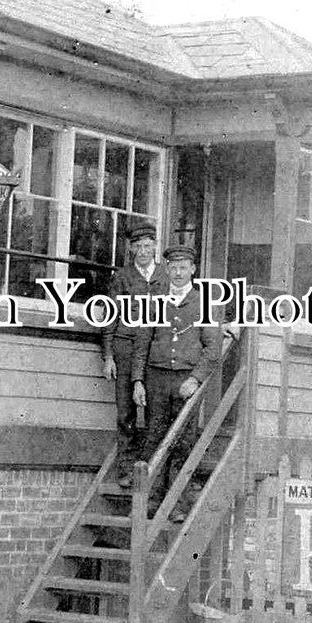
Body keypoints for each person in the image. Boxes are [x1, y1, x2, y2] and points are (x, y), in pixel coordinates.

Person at [131, 244, 222, 522]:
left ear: (193, 269)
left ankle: (177, 505)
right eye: (173, 268)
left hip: (185, 381)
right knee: (154, 437)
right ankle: (152, 501)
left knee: (183, 442)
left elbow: (213, 348)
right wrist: (138, 380)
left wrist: (195, 378)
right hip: (156, 379)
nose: (178, 273)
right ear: (167, 270)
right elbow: (142, 343)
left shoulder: (204, 303)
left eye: (183, 267)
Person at [103, 222, 169, 487]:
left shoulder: (166, 276)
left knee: (156, 409)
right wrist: (108, 356)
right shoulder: (122, 277)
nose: (143, 251)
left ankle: (151, 466)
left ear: (155, 247)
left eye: (147, 246)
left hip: (156, 349)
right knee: (125, 411)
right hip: (126, 347)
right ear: (131, 249)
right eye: (138, 247)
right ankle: (126, 469)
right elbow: (110, 317)